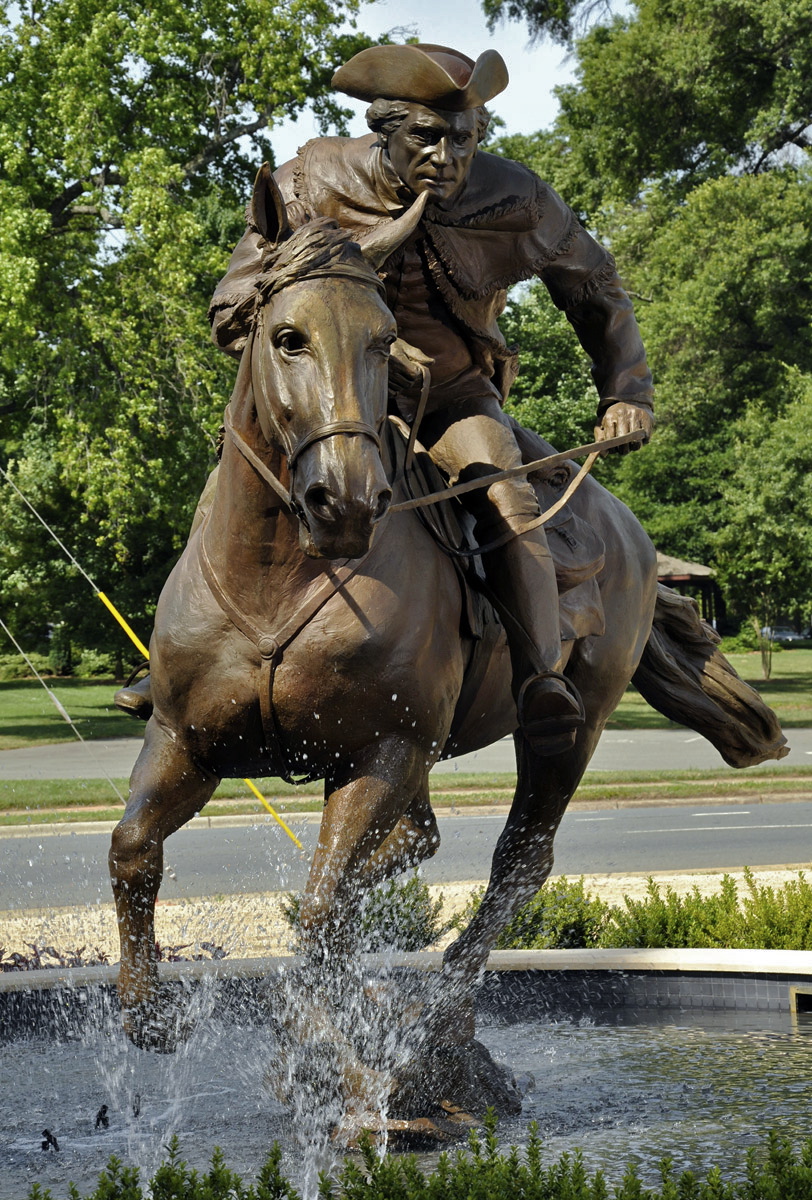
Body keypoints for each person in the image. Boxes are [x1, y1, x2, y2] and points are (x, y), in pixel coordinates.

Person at [117, 43, 653, 756]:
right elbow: (232, 305)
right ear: (385, 132)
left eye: (463, 139)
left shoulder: (518, 199)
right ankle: (178, 663)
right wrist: (336, 336)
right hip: (326, 396)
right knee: (239, 470)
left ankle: (538, 676)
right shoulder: (308, 184)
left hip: (452, 400)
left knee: (503, 491)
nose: (447, 156)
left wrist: (626, 391)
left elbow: (597, 291)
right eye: (426, 138)